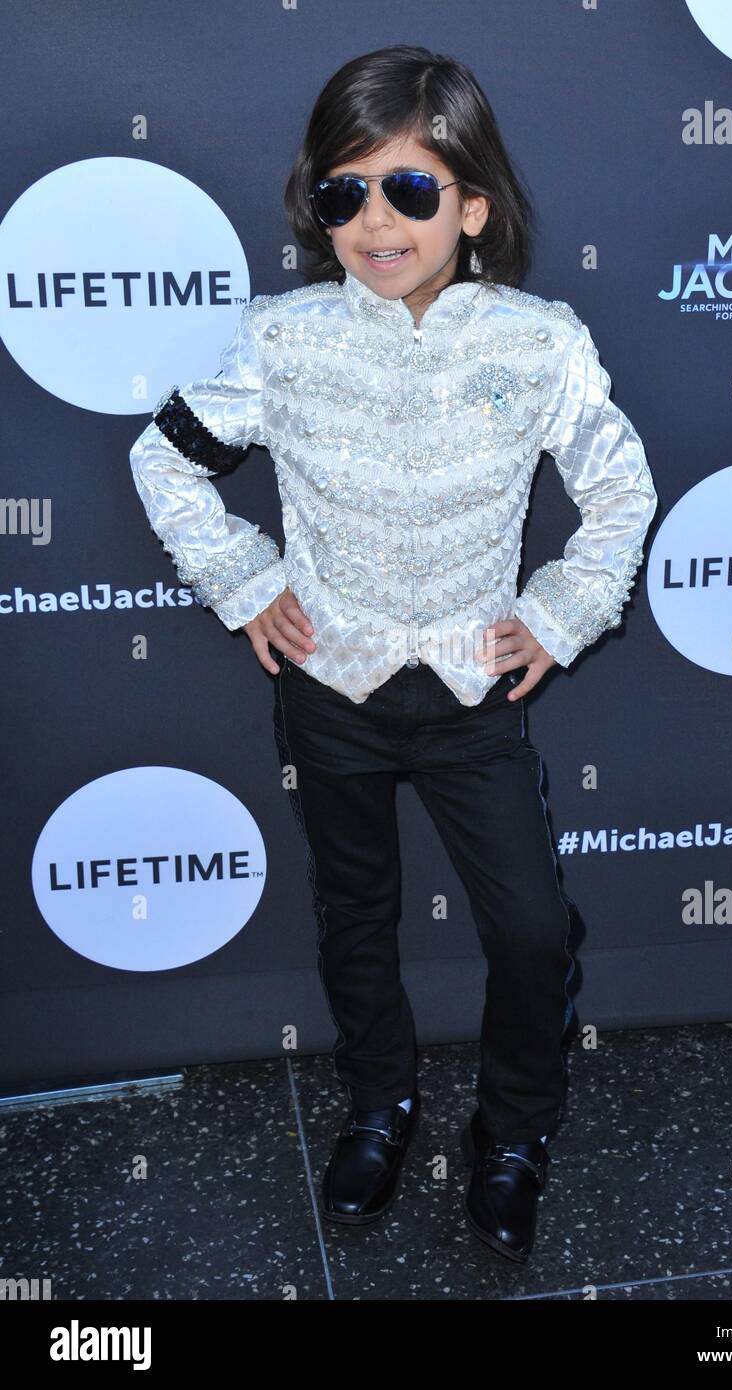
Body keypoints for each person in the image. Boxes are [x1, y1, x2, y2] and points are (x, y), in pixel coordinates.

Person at [129, 43, 658, 1266]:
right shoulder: (286, 337)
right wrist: (244, 580)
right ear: (319, 207)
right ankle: (379, 1103)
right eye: (345, 192)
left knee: (531, 930)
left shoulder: (538, 342)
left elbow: (621, 489)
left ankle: (514, 1133)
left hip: (475, 693)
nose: (377, 221)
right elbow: (164, 458)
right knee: (352, 913)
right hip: (330, 688)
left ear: (472, 206)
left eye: (411, 191)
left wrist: (565, 608)